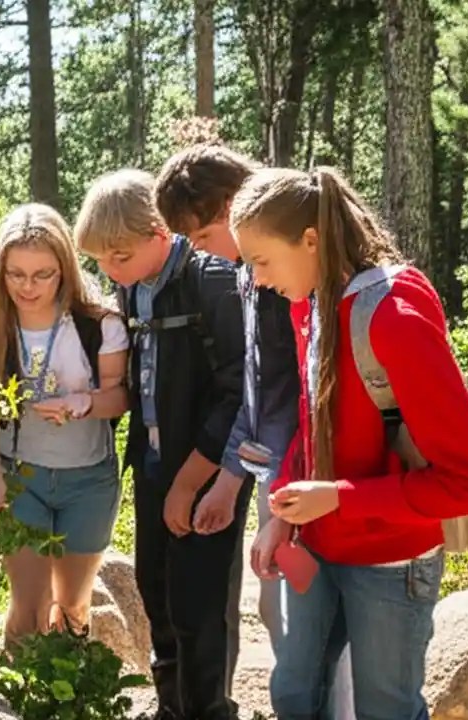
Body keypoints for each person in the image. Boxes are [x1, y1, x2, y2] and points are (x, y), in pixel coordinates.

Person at [236, 167, 468, 720]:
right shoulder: (308, 303)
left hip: (393, 561)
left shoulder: (393, 317)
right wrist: (284, 509)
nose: (256, 280)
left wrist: (339, 498)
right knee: (294, 696)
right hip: (318, 544)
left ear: (310, 240)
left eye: (261, 261)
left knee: (387, 709)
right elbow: (313, 424)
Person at [154, 144, 356, 720]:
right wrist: (231, 478)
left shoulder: (279, 277)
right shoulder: (249, 273)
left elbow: (284, 400)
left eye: (201, 236)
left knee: (317, 629)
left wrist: (236, 481)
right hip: (279, 474)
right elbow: (254, 393)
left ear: (230, 207)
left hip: (313, 476)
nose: (200, 252)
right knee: (285, 615)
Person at [74, 169, 247, 720]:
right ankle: (171, 705)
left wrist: (191, 482)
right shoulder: (131, 288)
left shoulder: (211, 279)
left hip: (206, 470)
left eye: (120, 256)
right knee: (155, 587)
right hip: (152, 464)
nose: (110, 269)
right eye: (100, 259)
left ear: (160, 232)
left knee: (202, 602)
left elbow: (236, 392)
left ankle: (209, 709)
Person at [0, 203, 129, 645]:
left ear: (64, 269)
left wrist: (84, 403)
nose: (27, 287)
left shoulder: (98, 323)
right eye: (15, 274)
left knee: (71, 606)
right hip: (20, 477)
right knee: (29, 604)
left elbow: (121, 397)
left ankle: (71, 684)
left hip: (89, 479)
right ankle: (14, 685)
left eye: (42, 275)